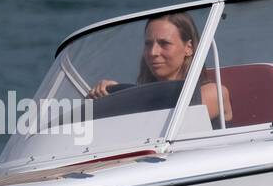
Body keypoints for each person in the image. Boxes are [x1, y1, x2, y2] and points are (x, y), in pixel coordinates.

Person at [89, 12, 232, 126]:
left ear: (188, 48)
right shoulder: (145, 99)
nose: (153, 52)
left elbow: (169, 121)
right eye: (148, 44)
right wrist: (102, 96)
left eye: (164, 43)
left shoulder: (214, 92)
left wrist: (121, 97)